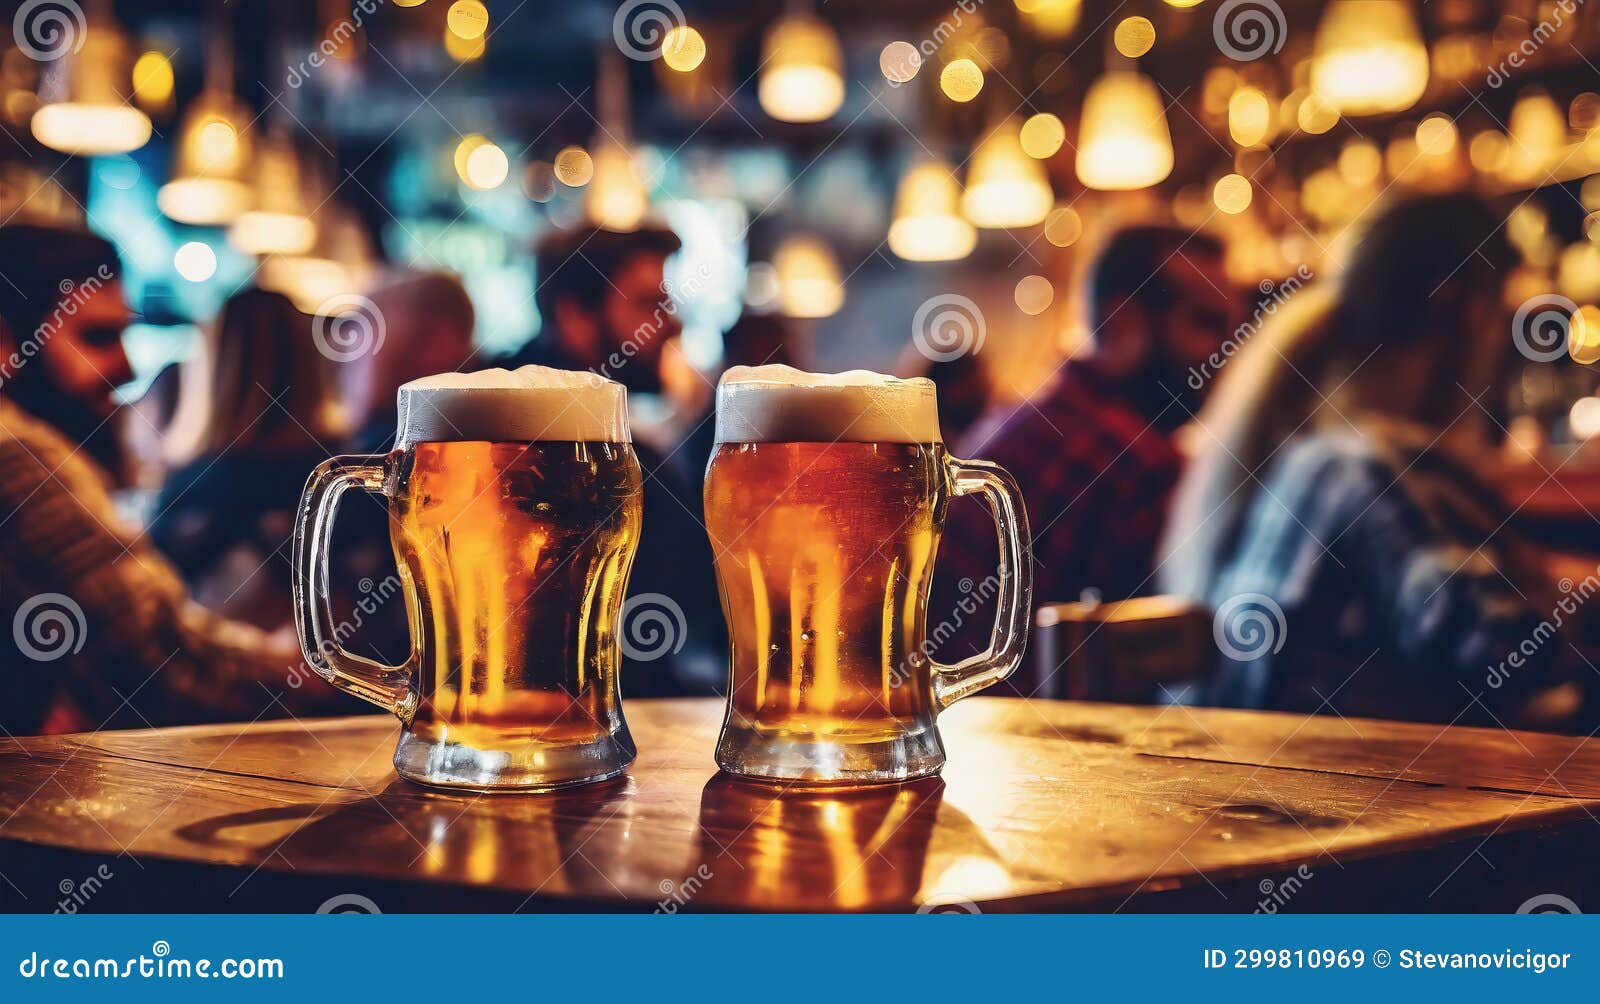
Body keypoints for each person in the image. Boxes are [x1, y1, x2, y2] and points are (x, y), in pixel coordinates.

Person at [1158, 193, 1559, 724]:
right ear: (1460, 306)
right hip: (1325, 779)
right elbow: (1505, 653)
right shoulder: (1366, 469)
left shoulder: (1306, 455)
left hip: (1256, 771)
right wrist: (1566, 597)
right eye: (1501, 316)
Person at [0, 225, 343, 734]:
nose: (126, 368)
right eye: (97, 337)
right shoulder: (17, 453)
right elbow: (155, 660)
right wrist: (313, 675)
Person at [932, 226, 1234, 667]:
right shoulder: (1142, 464)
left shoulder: (1014, 416)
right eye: (1206, 323)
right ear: (1123, 323)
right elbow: (1165, 670)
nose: (1228, 352)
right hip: (1036, 712)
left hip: (957, 703)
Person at [500, 224, 724, 695]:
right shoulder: (511, 449)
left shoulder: (630, 446)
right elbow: (697, 616)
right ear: (576, 315)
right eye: (648, 305)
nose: (672, 324)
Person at [148, 289, 341, 628]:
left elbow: (159, 612)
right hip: (328, 657)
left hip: (215, 658)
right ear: (308, 364)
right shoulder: (343, 472)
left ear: (211, 368)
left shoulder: (194, 487)